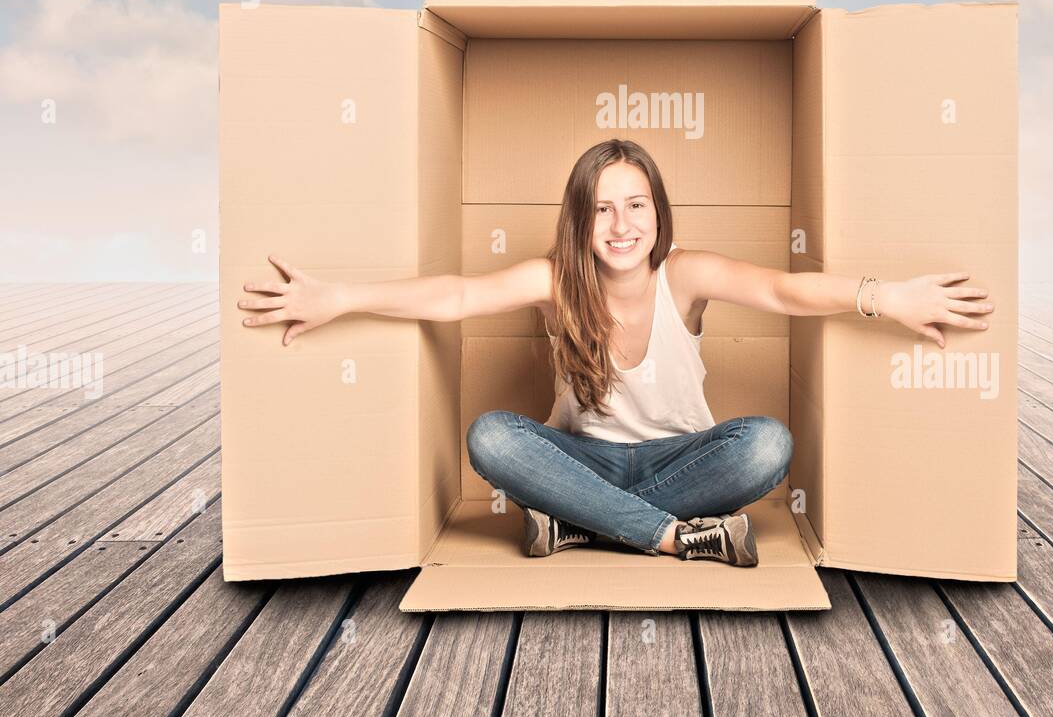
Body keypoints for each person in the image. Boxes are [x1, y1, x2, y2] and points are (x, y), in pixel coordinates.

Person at [238, 138, 993, 567]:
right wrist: (339, 297)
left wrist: (887, 296)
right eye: (601, 208)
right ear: (580, 221)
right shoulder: (555, 282)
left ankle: (582, 527)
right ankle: (666, 537)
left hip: (684, 463)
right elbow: (453, 297)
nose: (621, 224)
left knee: (768, 444)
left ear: (659, 214)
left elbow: (786, 293)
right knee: (491, 436)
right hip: (580, 462)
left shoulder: (685, 275)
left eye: (636, 205)